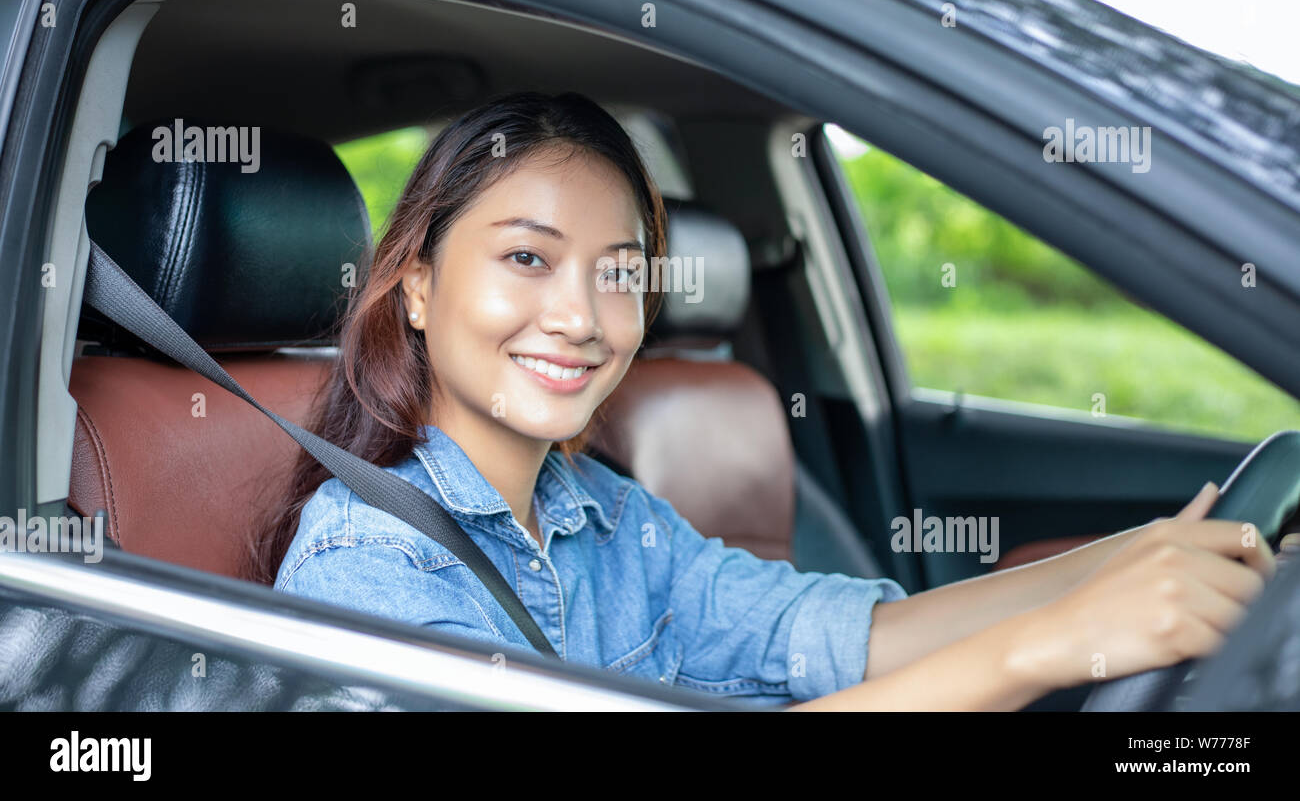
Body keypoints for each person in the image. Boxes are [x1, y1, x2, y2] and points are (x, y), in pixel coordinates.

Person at [248, 91, 1282, 709]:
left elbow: (839, 635)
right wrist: (1040, 647)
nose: (581, 315)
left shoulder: (611, 519)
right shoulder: (368, 570)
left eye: (619, 273)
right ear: (418, 283)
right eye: (527, 257)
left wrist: (1130, 558)